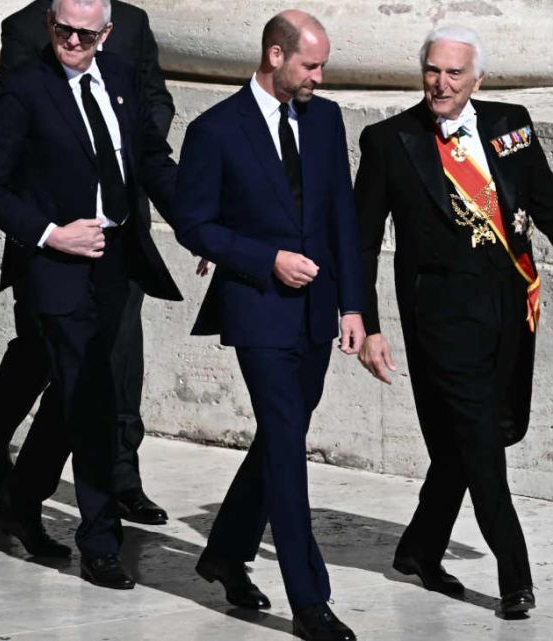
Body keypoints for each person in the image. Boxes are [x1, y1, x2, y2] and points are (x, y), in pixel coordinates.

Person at [353, 25, 553, 617]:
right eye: (432, 71)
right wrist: (366, 323)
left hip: (513, 309)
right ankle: (515, 577)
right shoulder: (390, 141)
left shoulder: (509, 124)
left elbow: (550, 203)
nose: (441, 84)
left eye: (454, 74)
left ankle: (419, 547)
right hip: (441, 321)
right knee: (480, 445)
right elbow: (362, 242)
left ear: (477, 80)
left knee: (471, 440)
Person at [0, 0, 182, 589]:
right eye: (64, 30)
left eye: (87, 34)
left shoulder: (114, 78)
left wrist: (199, 227)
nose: (74, 42)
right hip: (56, 265)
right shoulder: (24, 86)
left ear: (106, 34)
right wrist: (50, 234)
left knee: (74, 394)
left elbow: (151, 159)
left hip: (115, 259)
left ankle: (19, 503)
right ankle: (101, 541)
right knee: (88, 399)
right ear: (49, 25)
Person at [171, 10, 364, 641]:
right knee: (287, 443)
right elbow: (194, 224)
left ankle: (224, 552)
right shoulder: (215, 130)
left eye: (322, 65)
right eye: (311, 64)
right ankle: (310, 601)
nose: (319, 76)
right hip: (257, 309)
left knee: (280, 439)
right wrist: (266, 259)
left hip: (317, 313)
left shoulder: (327, 119)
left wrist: (354, 307)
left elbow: (342, 220)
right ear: (275, 56)